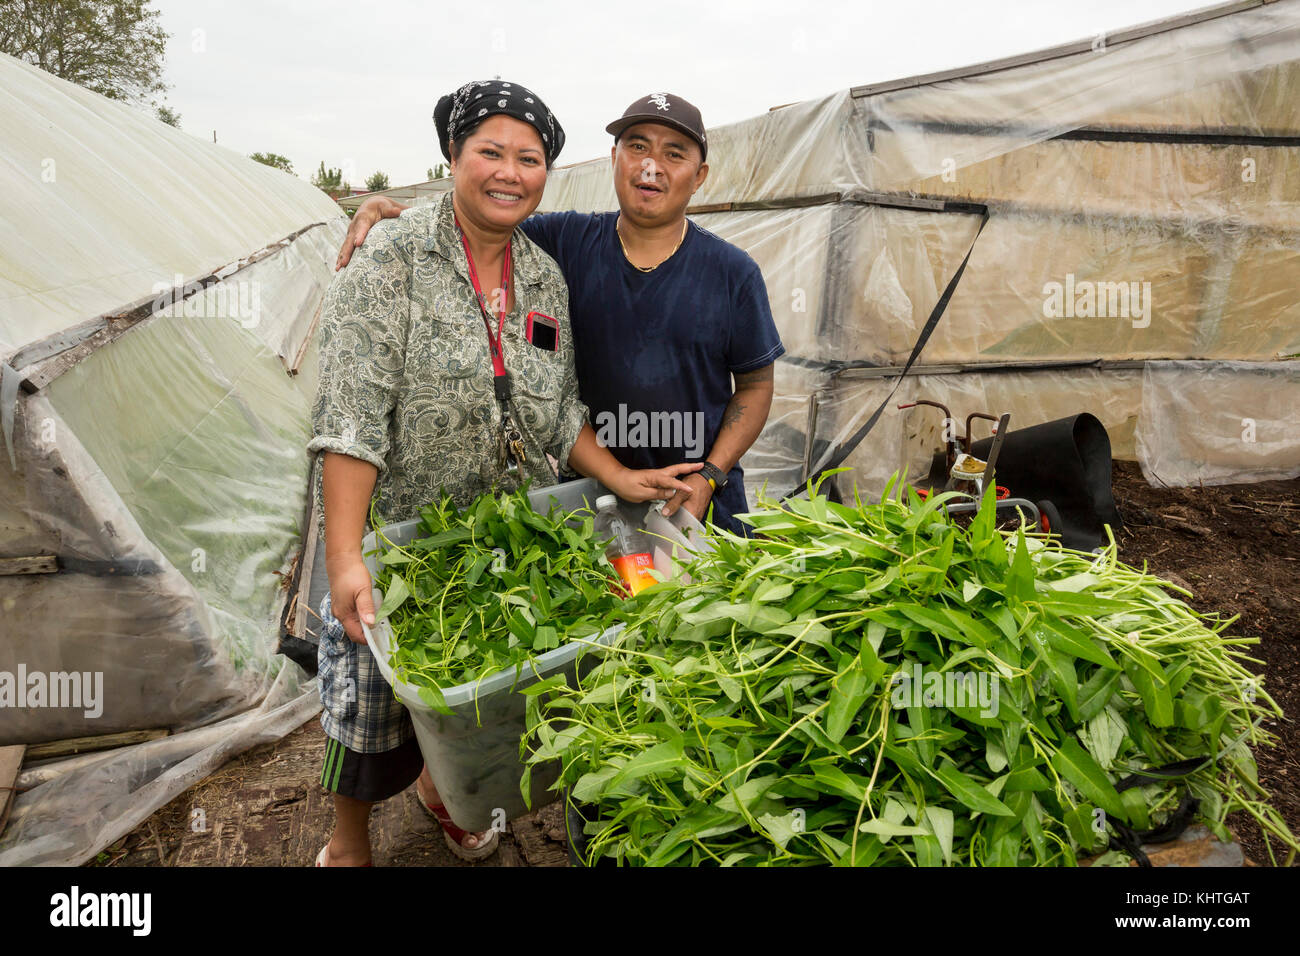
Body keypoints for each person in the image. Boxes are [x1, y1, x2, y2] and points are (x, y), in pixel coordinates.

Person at [310, 80, 701, 866]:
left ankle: (449, 796)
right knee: (367, 705)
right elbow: (352, 416)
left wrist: (619, 477)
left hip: (501, 538)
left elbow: (558, 413)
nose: (509, 172)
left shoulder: (544, 277)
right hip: (400, 531)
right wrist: (347, 554)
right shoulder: (394, 258)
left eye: (529, 159)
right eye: (490, 151)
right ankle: (347, 842)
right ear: (453, 157)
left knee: (480, 700)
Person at [339, 93, 783, 536]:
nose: (651, 166)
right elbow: (481, 217)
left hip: (698, 501)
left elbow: (756, 387)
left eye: (674, 154)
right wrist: (393, 212)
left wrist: (711, 475)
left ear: (700, 174)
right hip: (591, 500)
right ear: (614, 158)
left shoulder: (732, 272)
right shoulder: (565, 241)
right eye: (638, 146)